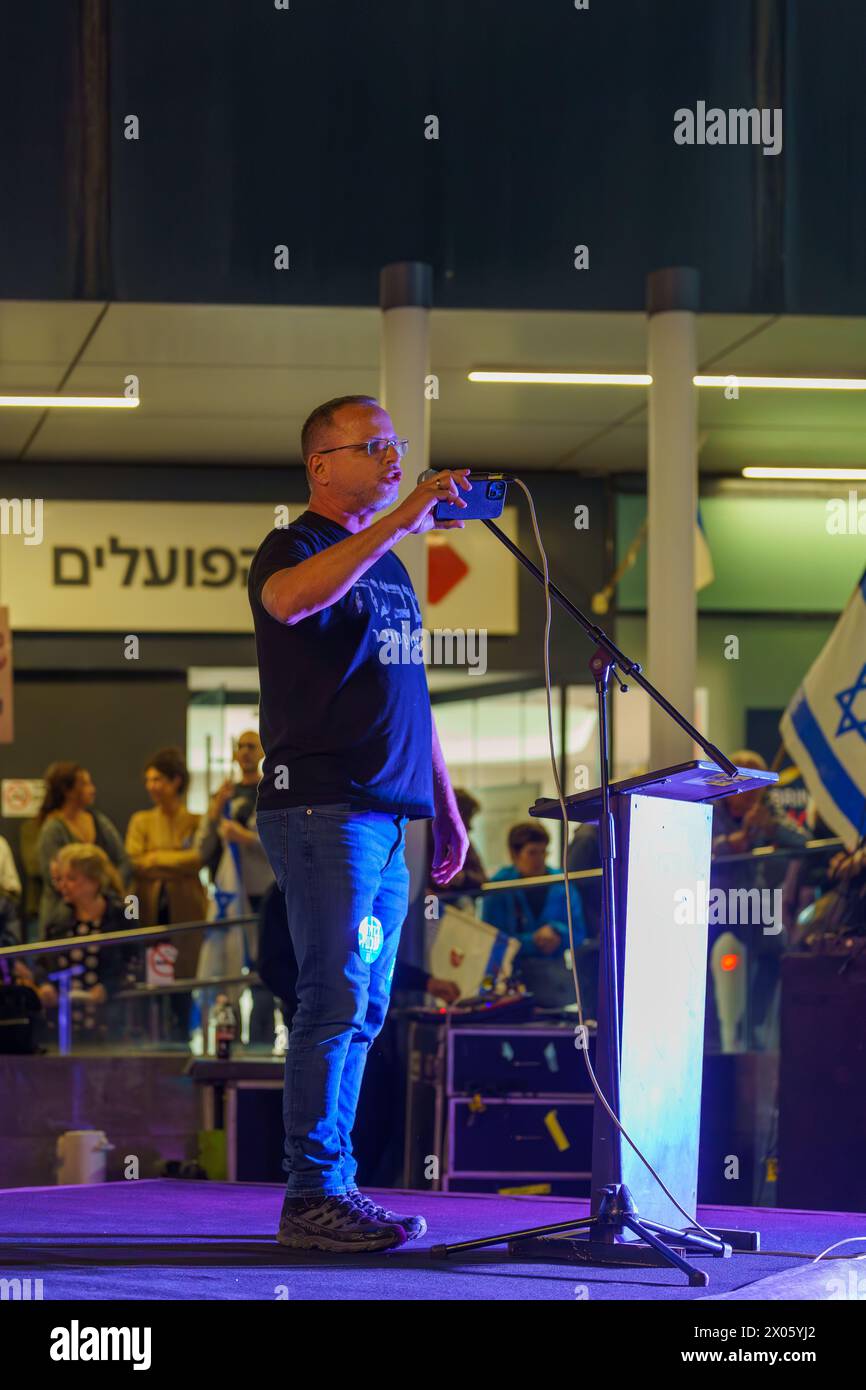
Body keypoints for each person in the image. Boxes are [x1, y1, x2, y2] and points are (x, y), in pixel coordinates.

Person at [248, 393, 470, 1252]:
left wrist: (442, 803)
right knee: (334, 995)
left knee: (366, 1003)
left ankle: (332, 1186)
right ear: (321, 465)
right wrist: (404, 517)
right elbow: (287, 603)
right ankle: (313, 1194)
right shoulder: (294, 546)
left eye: (395, 444)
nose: (392, 457)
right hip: (323, 808)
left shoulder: (392, 570)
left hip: (386, 817)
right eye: (373, 446)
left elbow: (411, 693)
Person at [194, 730, 275, 1044]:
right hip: (229, 896)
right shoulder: (224, 795)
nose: (245, 752)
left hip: (262, 894)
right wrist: (214, 812)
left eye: (251, 746)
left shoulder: (271, 790)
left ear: (262, 752)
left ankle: (260, 1045)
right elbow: (202, 848)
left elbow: (281, 845)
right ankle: (230, 1042)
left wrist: (246, 839)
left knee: (262, 973)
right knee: (228, 971)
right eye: (240, 746)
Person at [125, 747, 206, 1043]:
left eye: (157, 779)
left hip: (186, 913)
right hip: (149, 912)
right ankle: (154, 1041)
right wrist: (176, 862)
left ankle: (183, 1040)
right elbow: (134, 860)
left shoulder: (195, 820)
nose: (151, 786)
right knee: (152, 981)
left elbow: (197, 859)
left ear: (175, 781)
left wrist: (155, 857)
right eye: (148, 780)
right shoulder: (141, 820)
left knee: (184, 982)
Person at [36, 844, 140, 1045]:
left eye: (71, 879)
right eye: (60, 879)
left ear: (94, 881)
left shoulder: (122, 915)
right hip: (62, 1029)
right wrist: (45, 985)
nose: (62, 885)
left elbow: (134, 963)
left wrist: (108, 988)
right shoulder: (57, 919)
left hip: (110, 1027)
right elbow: (43, 963)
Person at [480, 821, 586, 1007]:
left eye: (543, 852)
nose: (539, 859)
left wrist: (557, 933)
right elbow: (491, 937)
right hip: (512, 980)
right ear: (514, 855)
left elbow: (578, 932)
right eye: (532, 852)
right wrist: (532, 941)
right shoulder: (499, 887)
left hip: (555, 982)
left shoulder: (562, 883)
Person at [36, 763, 130, 932]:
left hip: (104, 914)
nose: (92, 789)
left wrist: (105, 891)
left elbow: (123, 860)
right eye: (85, 784)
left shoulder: (98, 820)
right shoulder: (53, 829)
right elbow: (53, 878)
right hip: (64, 918)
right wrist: (85, 892)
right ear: (68, 791)